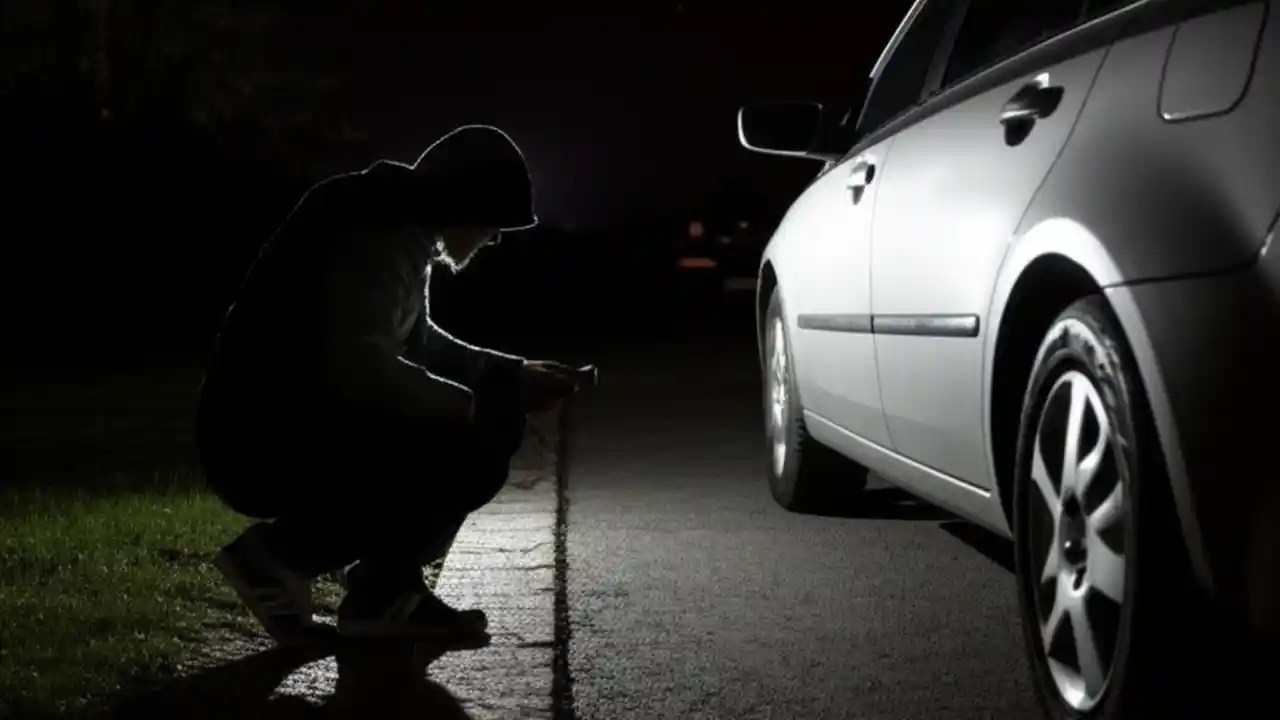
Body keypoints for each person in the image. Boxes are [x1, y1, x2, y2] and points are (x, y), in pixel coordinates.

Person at [195, 124, 580, 644]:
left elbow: (417, 337)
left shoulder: (396, 224)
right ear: (463, 202)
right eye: (492, 223)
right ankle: (292, 563)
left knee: (486, 416)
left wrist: (509, 371)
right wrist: (472, 407)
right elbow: (360, 366)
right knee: (475, 443)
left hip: (274, 421)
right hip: (261, 439)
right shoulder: (381, 236)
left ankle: (378, 589)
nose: (493, 238)